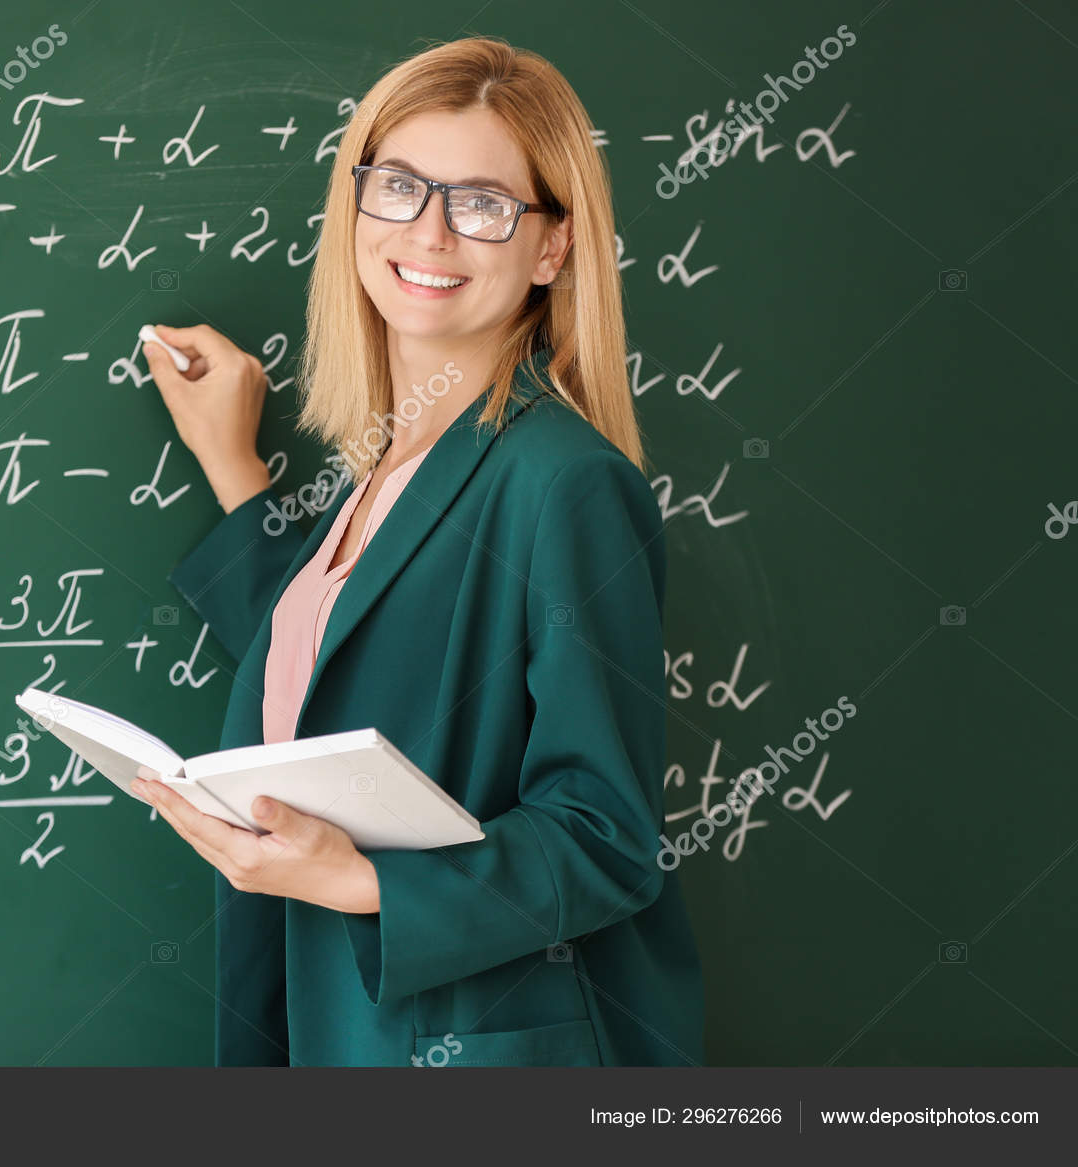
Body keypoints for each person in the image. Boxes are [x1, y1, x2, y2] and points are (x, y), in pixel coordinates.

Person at [134, 35, 704, 1068]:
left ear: (550, 248)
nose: (430, 231)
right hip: (328, 1026)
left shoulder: (560, 482)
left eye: (482, 202)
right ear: (357, 206)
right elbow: (346, 673)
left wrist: (358, 881)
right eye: (397, 186)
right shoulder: (386, 466)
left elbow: (607, 838)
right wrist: (231, 466)